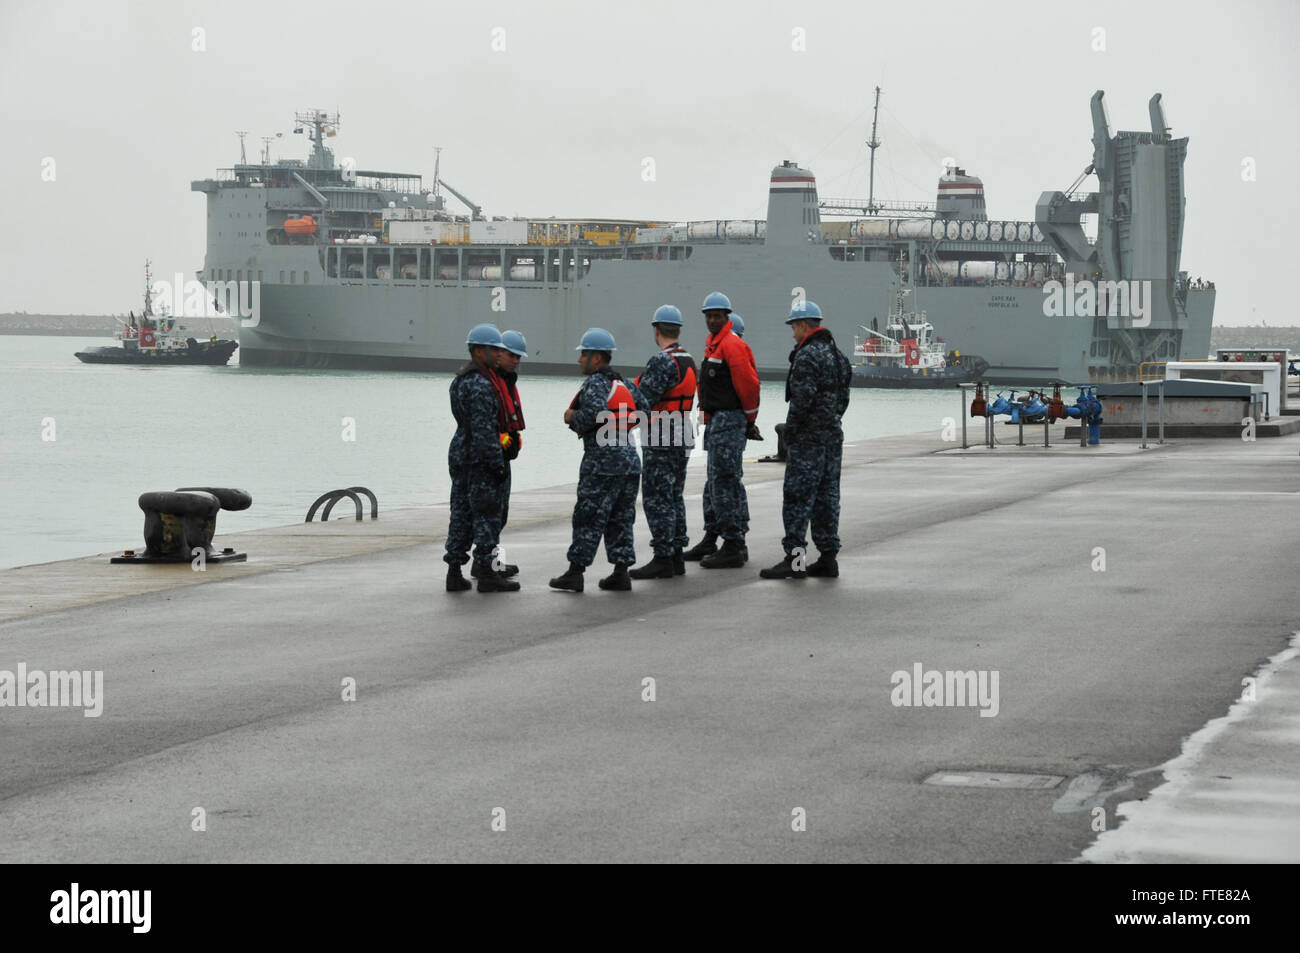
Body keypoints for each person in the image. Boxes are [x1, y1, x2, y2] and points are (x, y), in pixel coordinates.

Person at [549, 328, 648, 593]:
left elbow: (593, 414)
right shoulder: (624, 383)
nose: (580, 360)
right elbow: (645, 411)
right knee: (621, 517)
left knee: (588, 516)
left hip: (603, 462)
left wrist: (570, 416)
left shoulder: (595, 384)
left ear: (596, 358)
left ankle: (575, 572)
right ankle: (620, 572)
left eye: (583, 354)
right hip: (629, 460)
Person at [760, 300, 852, 580]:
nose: (792, 333)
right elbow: (843, 399)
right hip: (832, 437)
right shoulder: (839, 356)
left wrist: (792, 431)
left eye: (793, 327)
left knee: (798, 497)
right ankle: (827, 559)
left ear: (802, 325)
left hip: (808, 440)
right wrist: (830, 420)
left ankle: (795, 561)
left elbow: (801, 400)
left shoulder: (807, 355)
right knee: (827, 497)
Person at [687, 291, 760, 569]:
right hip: (718, 422)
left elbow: (749, 385)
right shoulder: (713, 346)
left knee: (726, 482)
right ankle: (714, 536)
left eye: (718, 315)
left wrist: (748, 420)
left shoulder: (731, 345)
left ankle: (733, 543)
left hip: (729, 421)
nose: (713, 320)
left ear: (727, 317)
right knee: (715, 483)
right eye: (709, 316)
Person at [444, 323, 519, 593]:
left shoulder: (460, 380)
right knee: (487, 514)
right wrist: (496, 465)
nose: (500, 354)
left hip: (461, 454)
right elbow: (485, 430)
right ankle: (487, 572)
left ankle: (454, 570)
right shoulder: (482, 385)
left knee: (461, 515)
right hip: (480, 460)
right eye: (494, 349)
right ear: (479, 351)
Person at [628, 305, 697, 579]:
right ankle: (677, 553)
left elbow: (643, 399)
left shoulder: (661, 361)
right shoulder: (689, 360)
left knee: (657, 497)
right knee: (674, 495)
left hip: (661, 435)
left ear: (656, 330)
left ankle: (663, 556)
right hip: (683, 432)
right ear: (678, 330)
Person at [497, 330, 527, 536]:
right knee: (487, 515)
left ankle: (490, 561)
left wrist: (514, 437)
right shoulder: (486, 381)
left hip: (503, 458)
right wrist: (495, 438)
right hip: (489, 458)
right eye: (512, 355)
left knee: (500, 514)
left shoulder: (508, 381)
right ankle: (482, 562)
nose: (515, 360)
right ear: (498, 353)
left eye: (518, 357)